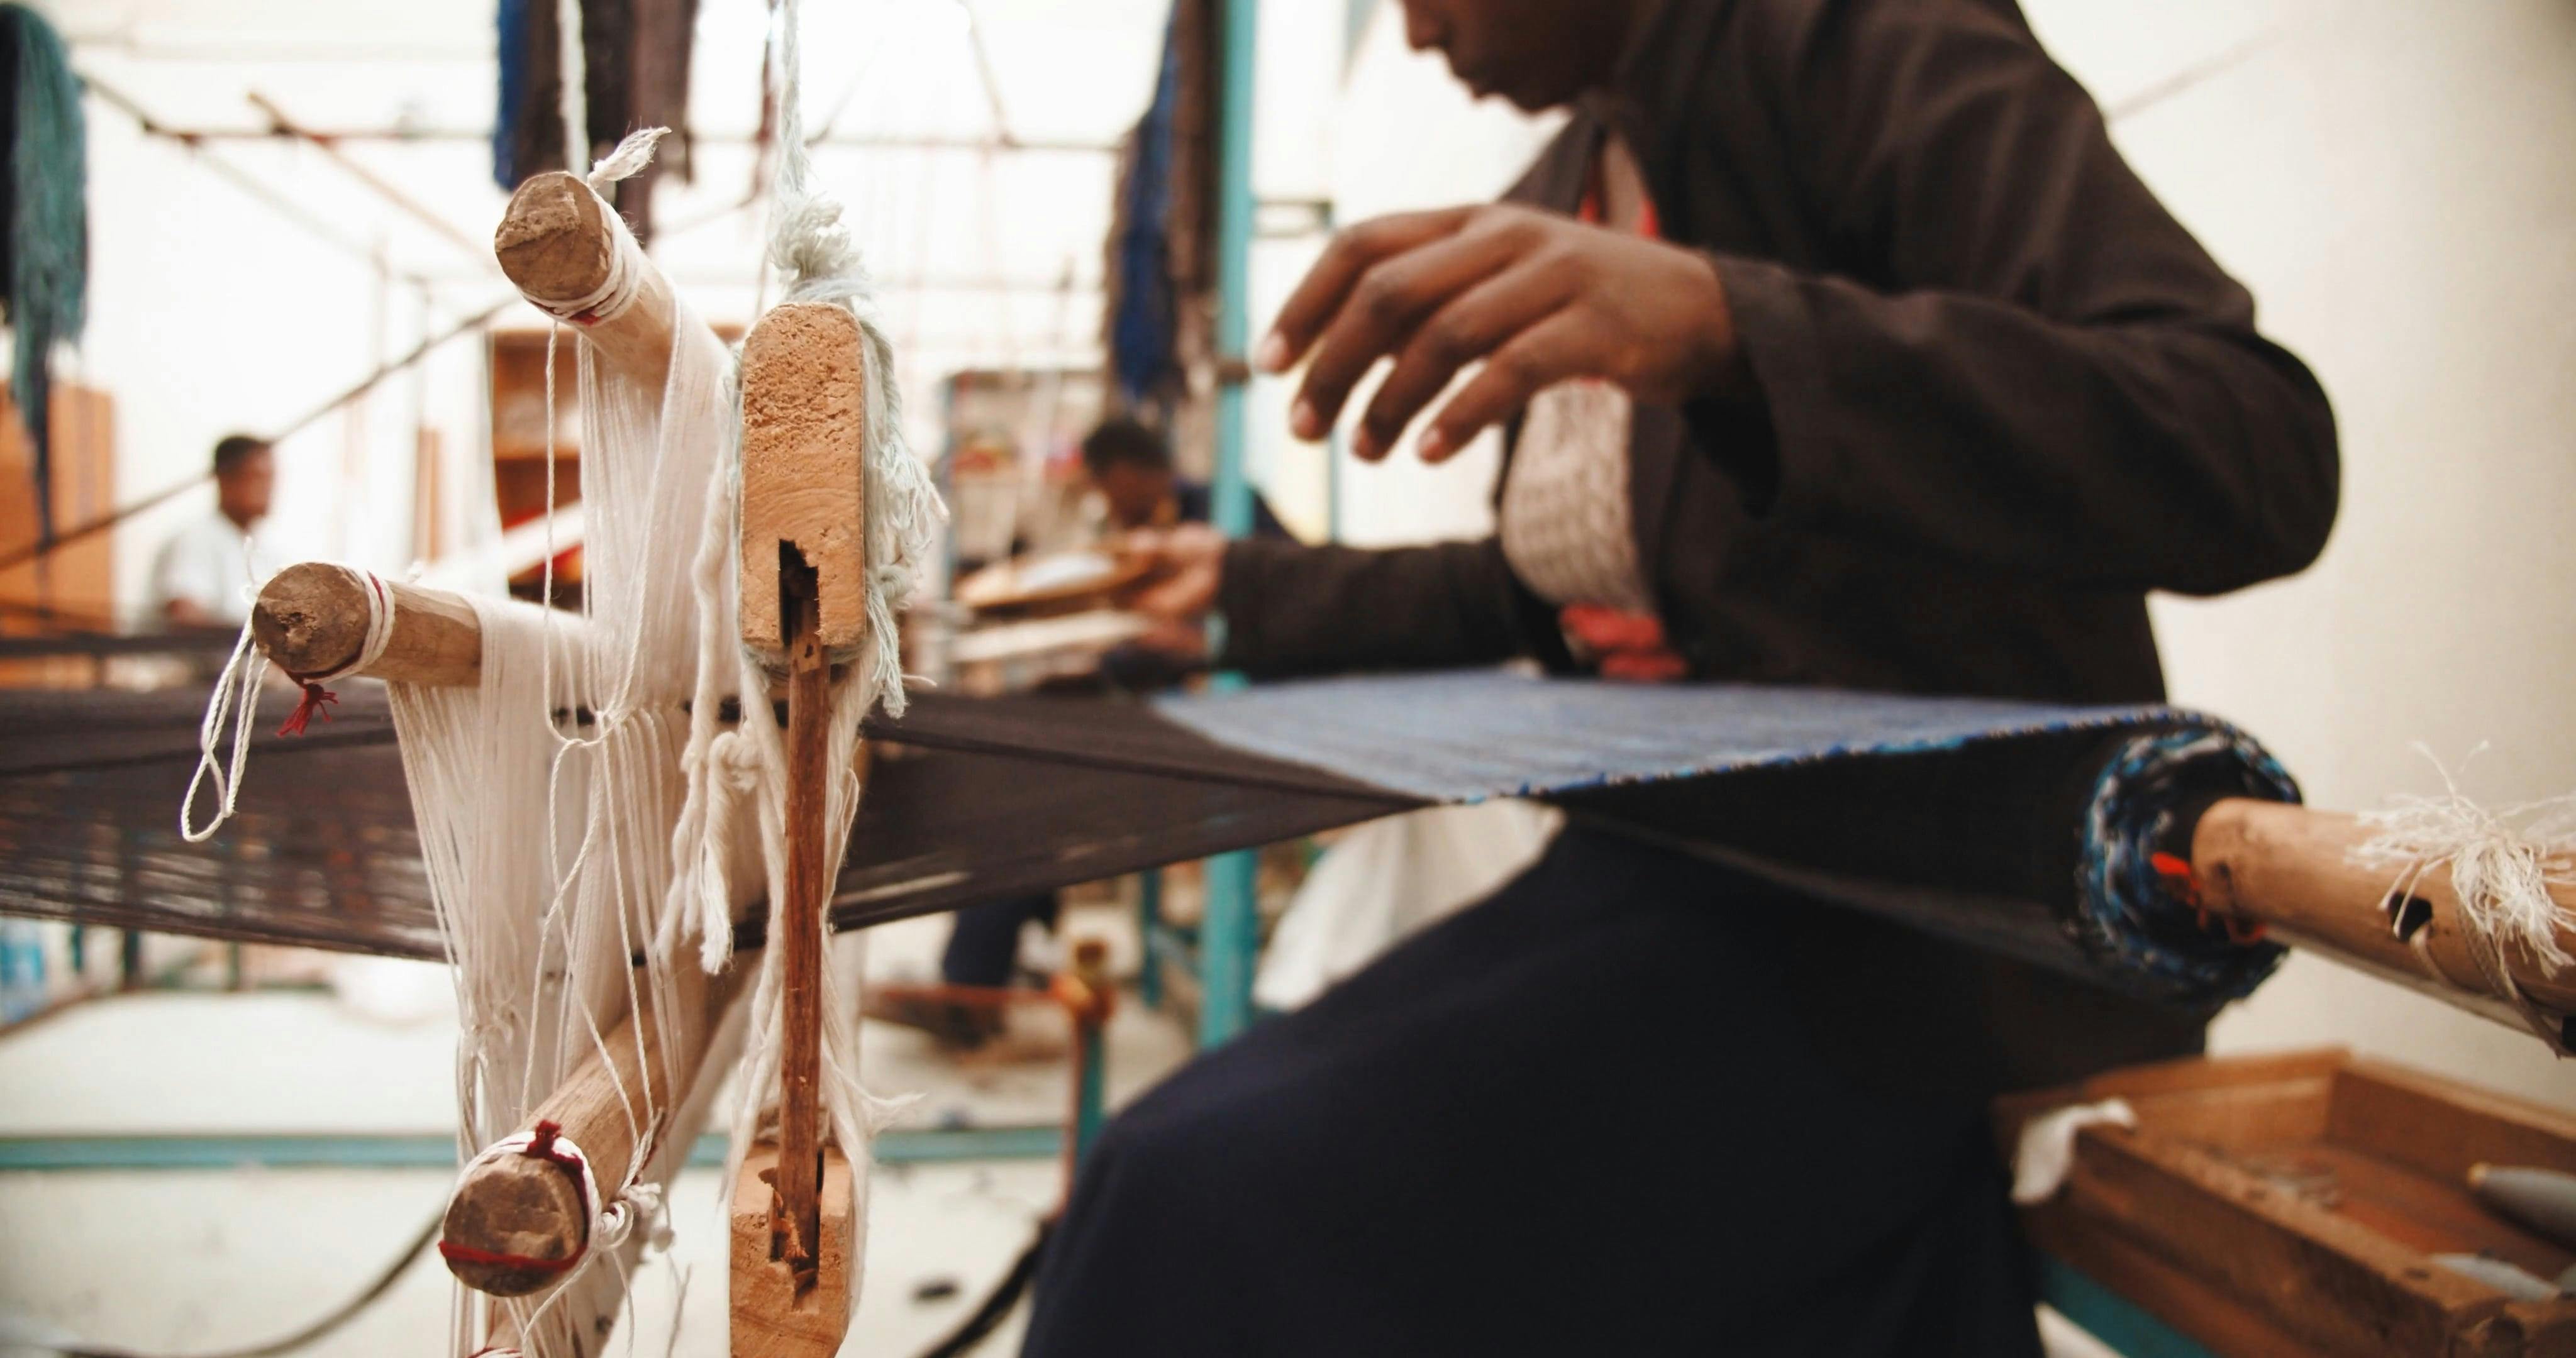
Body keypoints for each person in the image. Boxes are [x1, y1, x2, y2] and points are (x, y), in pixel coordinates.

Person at [1024, 1, 2337, 1353]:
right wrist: (1239, 596)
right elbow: (1543, 592)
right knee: (1148, 1176)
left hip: (1925, 935)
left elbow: (2249, 443)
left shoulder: (1851, 40)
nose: (1411, 33)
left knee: (1193, 1214)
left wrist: (1734, 333)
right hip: (1666, 878)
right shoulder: (1562, 190)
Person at [887, 417, 1289, 1051]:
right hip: (1168, 711)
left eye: (1103, 485)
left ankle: (975, 982)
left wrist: (1199, 646)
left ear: (1125, 472)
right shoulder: (1146, 528)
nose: (1104, 501)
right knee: (1018, 749)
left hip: (1229, 725)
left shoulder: (1222, 513)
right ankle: (995, 958)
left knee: (1024, 795)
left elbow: (1282, 620)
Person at [151, 434, 280, 629]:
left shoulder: (266, 550)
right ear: (225, 479)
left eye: (270, 479)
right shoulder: (195, 540)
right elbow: (185, 616)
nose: (268, 489)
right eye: (257, 477)